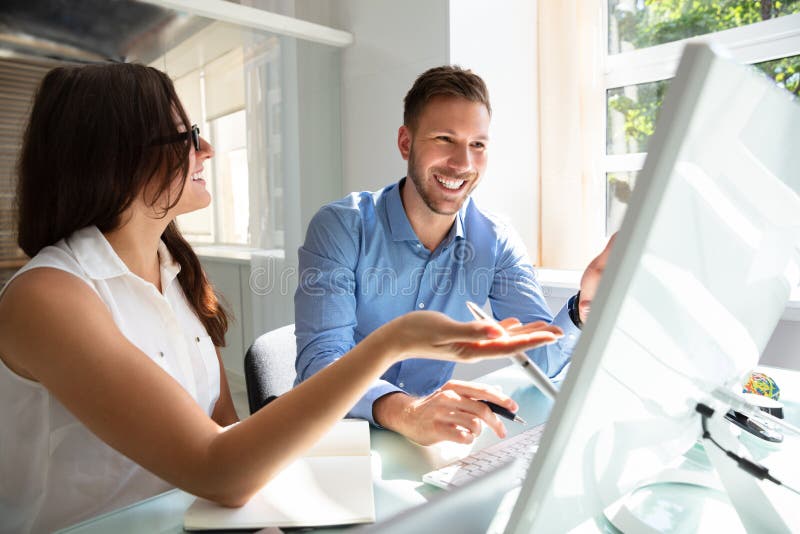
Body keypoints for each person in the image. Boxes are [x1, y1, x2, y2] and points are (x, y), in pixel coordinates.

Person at [0, 63, 562, 533]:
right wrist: (393, 342)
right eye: (184, 135)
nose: (208, 147)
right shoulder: (48, 298)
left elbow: (224, 429)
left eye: (478, 145)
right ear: (114, 155)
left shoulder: (175, 277)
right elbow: (217, 468)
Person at [294, 65, 614, 446]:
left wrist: (584, 306)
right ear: (405, 143)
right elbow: (321, 366)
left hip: (423, 440)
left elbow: (539, 360)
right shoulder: (343, 226)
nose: (463, 163)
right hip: (334, 436)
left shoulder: (495, 240)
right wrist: (407, 411)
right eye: (445, 139)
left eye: (477, 144)